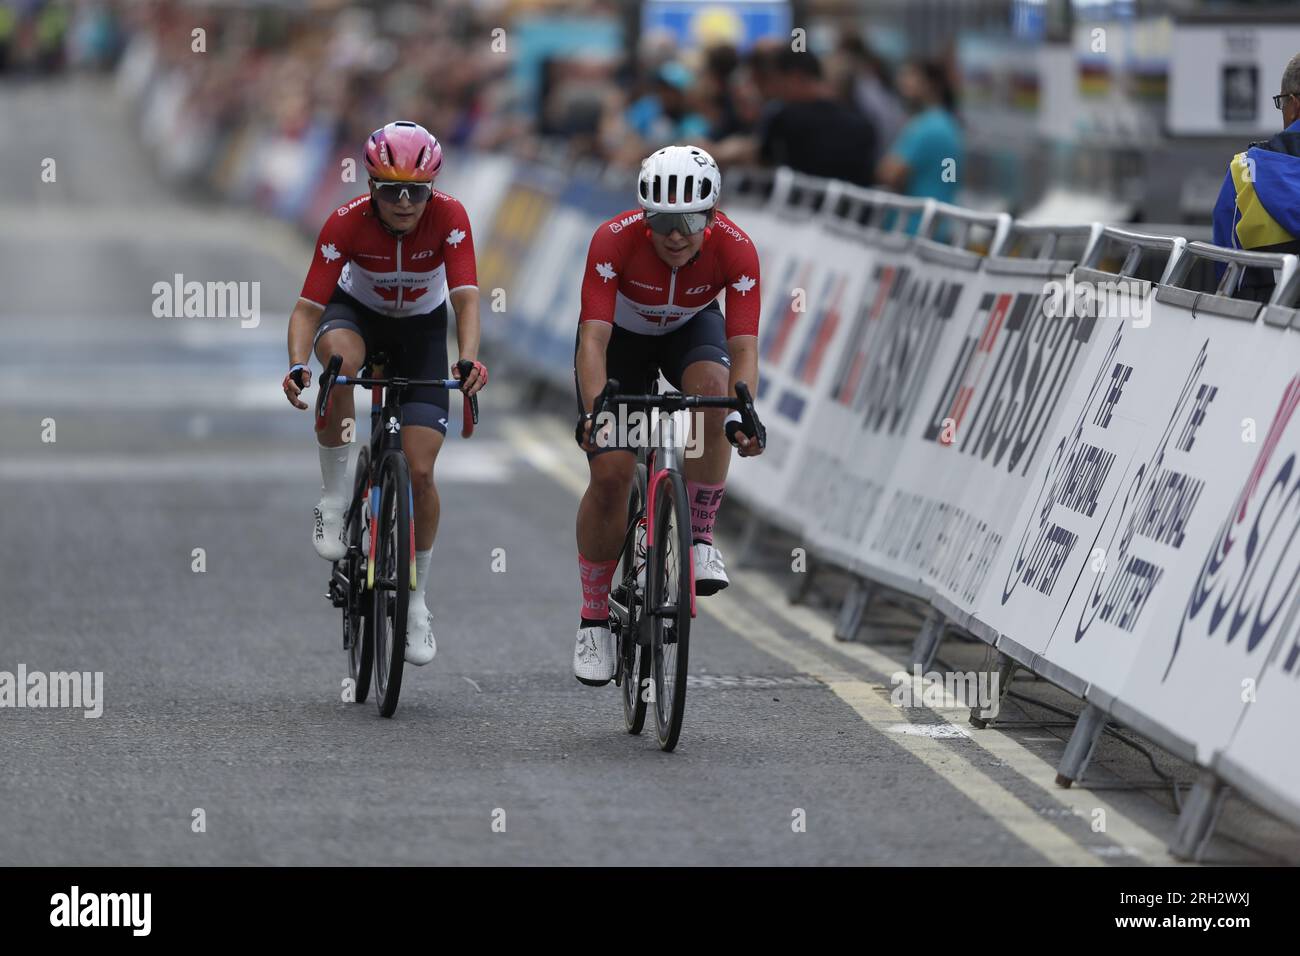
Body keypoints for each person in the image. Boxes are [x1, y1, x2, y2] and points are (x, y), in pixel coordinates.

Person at [282, 121, 487, 667]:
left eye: (415, 191)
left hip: (420, 331)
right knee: (341, 368)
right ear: (370, 185)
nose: (403, 201)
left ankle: (415, 597)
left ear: (431, 189)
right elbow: (307, 310)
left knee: (420, 472)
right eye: (391, 189)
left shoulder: (450, 218)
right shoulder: (345, 222)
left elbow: (467, 299)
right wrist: (299, 366)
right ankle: (332, 497)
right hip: (357, 317)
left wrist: (467, 358)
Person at [571, 145, 764, 685]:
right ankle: (592, 619)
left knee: (714, 390)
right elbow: (594, 340)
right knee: (609, 473)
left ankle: (699, 536)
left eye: (689, 222)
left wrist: (743, 410)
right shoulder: (613, 240)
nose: (675, 235)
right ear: (645, 216)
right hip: (622, 344)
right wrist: (595, 412)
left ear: (711, 215)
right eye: (662, 222)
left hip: (689, 332)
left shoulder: (737, 249)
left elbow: (743, 346)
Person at [1211, 53, 1300, 302]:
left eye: (1282, 102)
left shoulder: (1244, 171)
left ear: (1294, 105)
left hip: (1264, 326)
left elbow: (1224, 267)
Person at [758, 48, 877, 186]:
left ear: (795, 77)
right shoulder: (862, 124)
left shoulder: (785, 119)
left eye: (778, 82)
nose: (776, 90)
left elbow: (765, 162)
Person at [876, 58, 963, 207]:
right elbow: (949, 178)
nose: (902, 83)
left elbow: (889, 174)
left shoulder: (925, 127)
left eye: (910, 76)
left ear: (931, 84)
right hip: (938, 217)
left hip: (914, 221)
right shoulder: (949, 125)